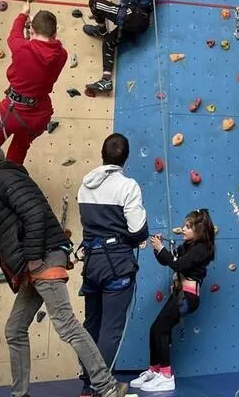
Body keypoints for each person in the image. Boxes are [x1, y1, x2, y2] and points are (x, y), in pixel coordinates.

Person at [0, 145, 127, 397]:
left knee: (66, 324)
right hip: (37, 262)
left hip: (42, 259)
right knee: (15, 329)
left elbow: (34, 214)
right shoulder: (2, 182)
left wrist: (32, 259)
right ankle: (20, 394)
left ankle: (107, 386)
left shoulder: (3, 177)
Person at [77, 133, 149, 394]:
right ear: (126, 157)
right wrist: (126, 236)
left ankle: (87, 385)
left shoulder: (85, 185)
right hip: (116, 263)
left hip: (92, 263)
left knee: (91, 325)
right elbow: (138, 230)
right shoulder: (127, 186)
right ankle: (102, 387)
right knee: (111, 328)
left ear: (102, 154)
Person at [0, 2, 67, 165]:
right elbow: (45, 49)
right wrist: (32, 34)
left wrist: (23, 14)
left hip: (13, 111)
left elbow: (14, 35)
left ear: (32, 30)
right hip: (39, 115)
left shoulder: (22, 48)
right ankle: (10, 179)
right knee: (19, 150)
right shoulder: (62, 54)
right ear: (55, 33)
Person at [130, 209, 216, 393]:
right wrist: (157, 249)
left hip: (188, 296)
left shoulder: (201, 249)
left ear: (199, 230)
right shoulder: (186, 247)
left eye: (188, 226)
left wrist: (162, 249)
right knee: (155, 329)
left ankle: (166, 376)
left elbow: (178, 265)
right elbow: (167, 261)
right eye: (184, 225)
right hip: (180, 294)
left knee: (161, 329)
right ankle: (154, 370)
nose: (183, 229)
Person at [83, 0, 161, 96]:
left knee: (94, 1)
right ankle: (106, 80)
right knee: (108, 42)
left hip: (129, 16)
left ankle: (100, 29)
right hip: (141, 24)